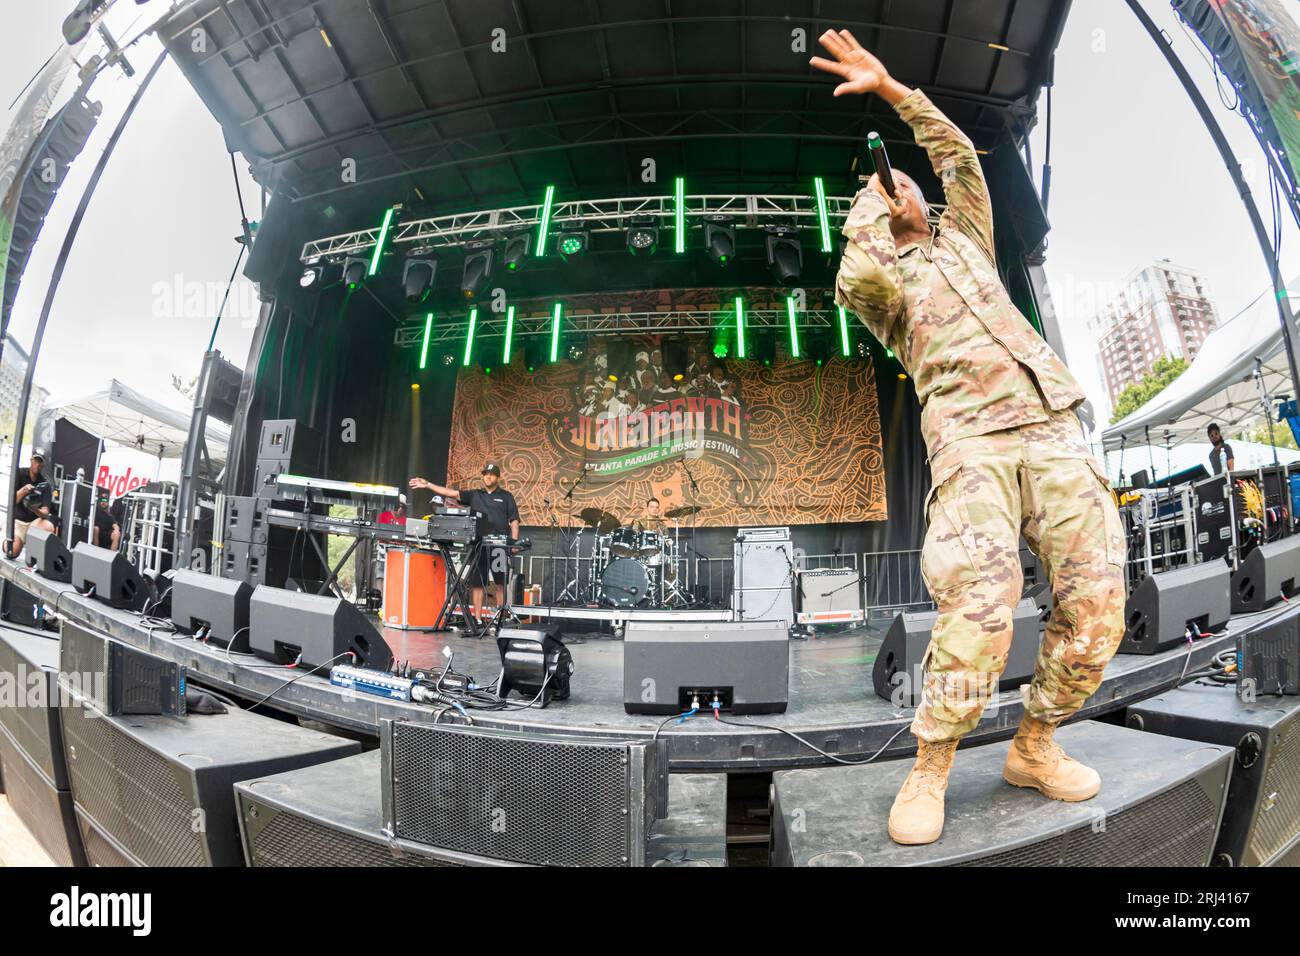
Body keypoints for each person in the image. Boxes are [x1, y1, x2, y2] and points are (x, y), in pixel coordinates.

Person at [813, 30, 1126, 846]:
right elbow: (854, 278)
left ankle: (1035, 746)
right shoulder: (888, 287)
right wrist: (869, 211)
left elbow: (959, 158)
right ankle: (932, 766)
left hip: (1050, 424)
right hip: (971, 443)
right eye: (893, 190)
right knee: (982, 605)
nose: (906, 191)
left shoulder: (967, 237)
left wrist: (892, 92)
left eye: (908, 185)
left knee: (1098, 604)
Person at [409, 463, 520, 622]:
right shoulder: (475, 495)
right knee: (477, 584)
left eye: (492, 474)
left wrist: (513, 543)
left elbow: (514, 521)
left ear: (498, 477)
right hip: (479, 545)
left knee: (500, 583)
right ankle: (478, 619)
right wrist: (428, 485)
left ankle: (499, 619)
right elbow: (450, 492)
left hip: (499, 546)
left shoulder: (506, 496)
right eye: (485, 474)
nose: (488, 476)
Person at [9, 448, 55, 559]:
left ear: (43, 465)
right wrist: (24, 490)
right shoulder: (19, 473)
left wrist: (34, 508)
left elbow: (45, 513)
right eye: (36, 461)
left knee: (49, 526)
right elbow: (11, 501)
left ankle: (37, 556)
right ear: (31, 460)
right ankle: (12, 541)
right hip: (17, 521)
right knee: (12, 552)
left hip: (33, 523)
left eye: (40, 462)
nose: (38, 464)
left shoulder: (45, 484)